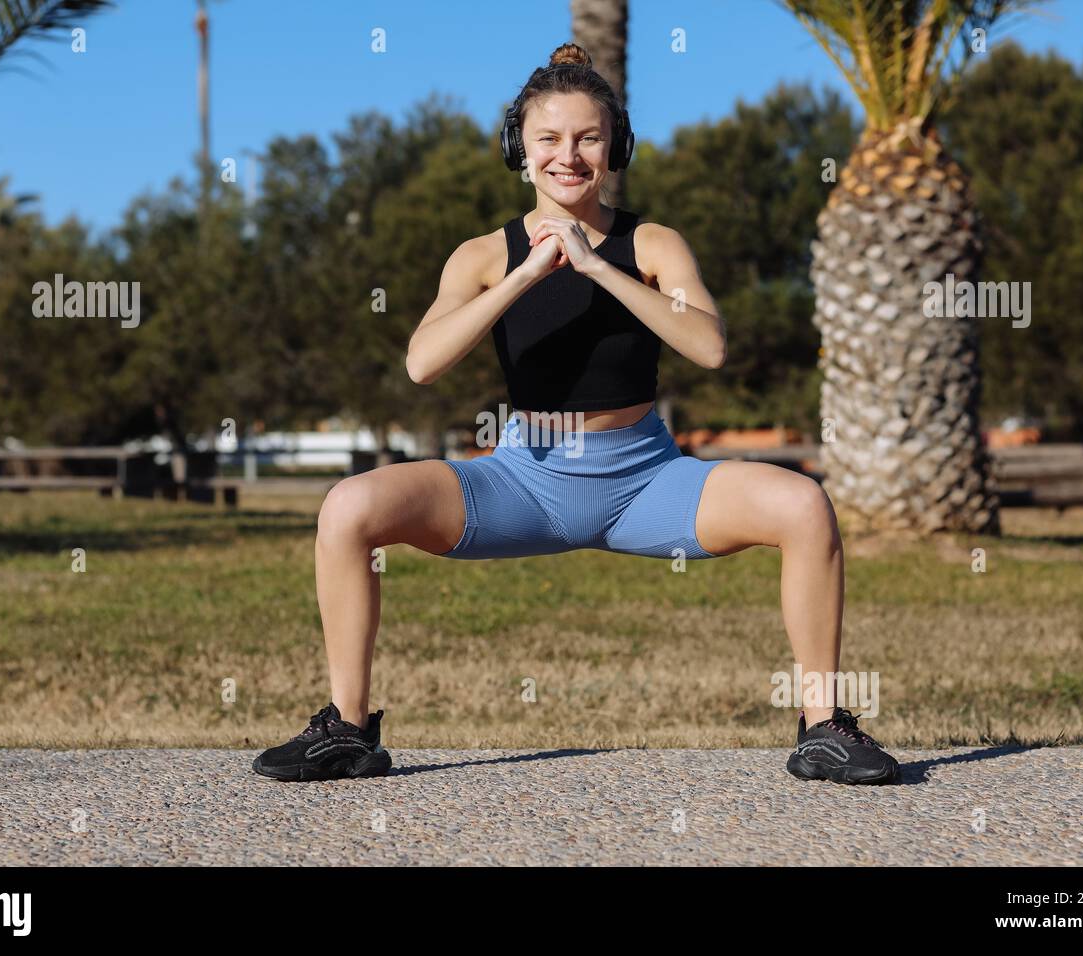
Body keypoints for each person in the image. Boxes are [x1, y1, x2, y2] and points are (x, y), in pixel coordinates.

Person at [253, 42, 900, 785]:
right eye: (549, 139)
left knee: (804, 506)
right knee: (348, 508)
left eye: (589, 138)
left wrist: (597, 265)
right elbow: (423, 362)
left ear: (615, 145)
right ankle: (349, 730)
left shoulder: (651, 243)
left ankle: (822, 728)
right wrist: (526, 273)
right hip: (522, 481)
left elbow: (708, 345)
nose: (569, 155)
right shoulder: (480, 255)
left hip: (646, 482)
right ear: (518, 150)